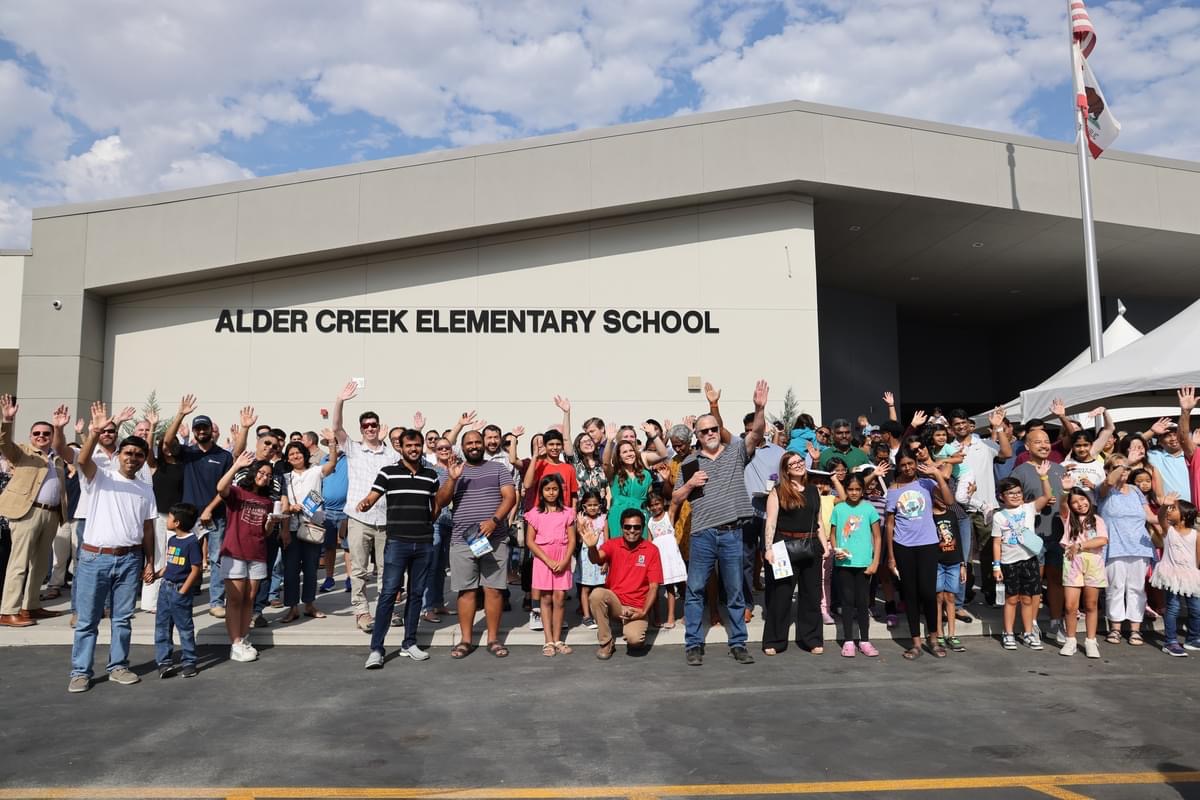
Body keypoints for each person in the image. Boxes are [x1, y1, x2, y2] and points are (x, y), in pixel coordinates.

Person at [674, 379, 769, 667]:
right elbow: (676, 498)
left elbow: (757, 434)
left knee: (735, 591)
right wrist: (689, 483)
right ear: (698, 436)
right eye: (705, 431)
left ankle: (738, 643)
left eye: (714, 428)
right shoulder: (689, 463)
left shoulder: (735, 453)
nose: (711, 433)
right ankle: (693, 644)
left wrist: (759, 408)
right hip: (702, 534)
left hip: (732, 534)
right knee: (695, 590)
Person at [68, 402, 156, 693]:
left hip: (130, 559)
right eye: (129, 452)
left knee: (122, 619)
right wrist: (94, 431)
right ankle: (80, 671)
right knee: (87, 620)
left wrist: (149, 561)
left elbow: (147, 527)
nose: (133, 458)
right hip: (95, 558)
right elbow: (82, 461)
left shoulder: (145, 488)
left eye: (139, 454)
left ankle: (118, 666)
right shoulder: (101, 478)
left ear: (144, 459)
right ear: (119, 455)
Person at [358, 428, 441, 668]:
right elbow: (373, 496)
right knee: (388, 594)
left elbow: (435, 507)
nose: (413, 449)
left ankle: (409, 643)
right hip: (397, 543)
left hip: (424, 543)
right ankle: (376, 648)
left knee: (416, 594)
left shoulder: (431, 475)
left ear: (422, 446)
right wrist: (365, 503)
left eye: (417, 445)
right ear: (400, 448)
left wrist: (426, 523)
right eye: (409, 446)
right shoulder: (388, 472)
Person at [162, 397, 241, 619]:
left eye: (205, 427)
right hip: (188, 515)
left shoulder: (223, 456)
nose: (201, 431)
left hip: (215, 515)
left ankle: (216, 602)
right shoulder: (188, 453)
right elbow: (168, 442)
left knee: (215, 558)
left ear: (211, 430)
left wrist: (209, 508)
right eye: (198, 428)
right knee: (182, 557)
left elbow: (225, 488)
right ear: (195, 432)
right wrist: (180, 414)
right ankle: (180, 597)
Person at [442, 430, 516, 659]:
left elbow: (510, 497)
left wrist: (494, 521)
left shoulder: (498, 468)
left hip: (494, 539)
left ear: (483, 444)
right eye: (469, 443)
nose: (474, 446)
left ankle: (493, 639)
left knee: (493, 590)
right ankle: (466, 640)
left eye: (477, 442)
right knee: (466, 591)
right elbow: (441, 501)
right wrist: (452, 479)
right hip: (463, 540)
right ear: (462, 447)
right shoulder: (454, 470)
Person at [331, 380, 399, 633]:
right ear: (361, 429)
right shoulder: (353, 449)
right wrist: (340, 400)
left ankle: (384, 610)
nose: (370, 428)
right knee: (359, 569)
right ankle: (361, 612)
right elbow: (336, 427)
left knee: (386, 569)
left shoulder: (391, 455)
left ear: (379, 427)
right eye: (365, 426)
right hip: (359, 519)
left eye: (373, 425)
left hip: (385, 520)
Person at [0, 395, 72, 627]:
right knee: (19, 563)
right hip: (27, 513)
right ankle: (8, 610)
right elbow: (4, 444)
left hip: (51, 513)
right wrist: (7, 420)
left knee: (40, 564)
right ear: (30, 437)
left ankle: (30, 606)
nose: (41, 437)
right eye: (37, 434)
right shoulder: (22, 452)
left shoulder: (57, 459)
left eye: (46, 434)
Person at [885, 451, 956, 659]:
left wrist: (937, 475)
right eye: (903, 465)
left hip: (928, 544)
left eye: (911, 464)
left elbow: (949, 500)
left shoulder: (926, 484)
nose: (908, 468)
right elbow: (890, 525)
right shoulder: (892, 491)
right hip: (903, 546)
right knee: (910, 594)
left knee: (928, 592)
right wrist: (891, 556)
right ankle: (915, 642)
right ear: (898, 466)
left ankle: (933, 639)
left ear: (916, 464)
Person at [213, 450, 278, 663]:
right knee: (235, 599)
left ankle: (243, 638)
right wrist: (235, 466)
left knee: (249, 599)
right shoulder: (238, 492)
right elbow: (220, 488)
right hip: (235, 552)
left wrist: (271, 524)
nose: (265, 477)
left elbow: (264, 532)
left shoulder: (268, 501)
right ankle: (236, 643)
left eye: (269, 475)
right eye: (262, 472)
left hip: (257, 553)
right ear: (253, 472)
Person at [762, 450, 826, 655]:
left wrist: (825, 546)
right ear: (786, 470)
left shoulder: (814, 490)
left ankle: (812, 639)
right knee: (781, 595)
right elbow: (770, 522)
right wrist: (768, 548)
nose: (798, 465)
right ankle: (775, 640)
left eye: (800, 461)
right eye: (793, 463)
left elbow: (819, 522)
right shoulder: (778, 491)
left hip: (810, 546)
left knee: (811, 595)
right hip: (783, 547)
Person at [580, 507, 662, 659]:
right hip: (616, 603)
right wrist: (591, 547)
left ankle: (632, 627)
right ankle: (606, 642)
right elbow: (596, 559)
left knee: (635, 641)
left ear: (643, 528)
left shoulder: (652, 550)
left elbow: (653, 586)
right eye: (627, 527)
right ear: (622, 527)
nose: (632, 530)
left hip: (636, 608)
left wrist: (643, 612)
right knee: (597, 594)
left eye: (637, 527)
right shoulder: (613, 544)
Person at [1011, 429, 1067, 644]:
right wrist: (1037, 503)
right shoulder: (1020, 472)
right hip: (1033, 536)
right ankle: (1031, 624)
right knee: (1033, 582)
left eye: (1046, 441)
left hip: (1058, 535)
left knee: (1056, 580)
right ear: (1027, 446)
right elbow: (1012, 503)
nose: (1043, 445)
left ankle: (1055, 622)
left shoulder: (1060, 469)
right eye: (1037, 442)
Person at [992, 465, 1054, 651]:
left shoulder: (1029, 508)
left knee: (1028, 599)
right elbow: (996, 543)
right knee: (1011, 599)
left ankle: (1028, 632)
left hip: (1029, 560)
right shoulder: (999, 517)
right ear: (1002, 496)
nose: (1016, 496)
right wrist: (996, 566)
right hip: (1008, 563)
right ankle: (1008, 633)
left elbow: (1046, 496)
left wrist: (1043, 477)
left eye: (1018, 492)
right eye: (1010, 493)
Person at [1098, 453, 1157, 646]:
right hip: (1115, 546)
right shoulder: (1104, 489)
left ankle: (1135, 629)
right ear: (1109, 470)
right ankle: (1115, 628)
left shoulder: (1135, 490)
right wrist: (1125, 464)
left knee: (1137, 589)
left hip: (1140, 546)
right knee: (1115, 588)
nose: (1123, 471)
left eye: (1125, 468)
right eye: (1117, 467)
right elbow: (1109, 481)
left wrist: (1166, 511)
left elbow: (1150, 517)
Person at [829, 472, 881, 657]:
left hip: (864, 563)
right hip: (844, 564)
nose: (853, 493)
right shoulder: (839, 509)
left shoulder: (869, 509)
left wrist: (875, 562)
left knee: (862, 602)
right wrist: (836, 550)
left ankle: (865, 640)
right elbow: (833, 534)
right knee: (847, 602)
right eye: (850, 489)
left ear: (863, 490)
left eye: (857, 489)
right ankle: (848, 640)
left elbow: (877, 536)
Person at [525, 474, 576, 656]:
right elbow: (530, 541)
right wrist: (548, 560)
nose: (551, 493)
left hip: (562, 558)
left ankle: (558, 638)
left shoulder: (568, 512)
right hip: (543, 560)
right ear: (542, 492)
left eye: (554, 489)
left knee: (560, 599)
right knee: (545, 599)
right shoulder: (535, 514)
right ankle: (548, 640)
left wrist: (564, 561)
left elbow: (572, 540)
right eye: (547, 489)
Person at [742, 411, 784, 623]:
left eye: (756, 430)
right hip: (746, 513)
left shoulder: (778, 452)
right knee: (746, 561)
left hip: (771, 514)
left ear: (764, 428)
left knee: (772, 560)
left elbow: (787, 479)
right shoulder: (738, 451)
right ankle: (747, 605)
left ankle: (772, 605)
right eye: (748, 431)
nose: (752, 434)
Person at [1058, 481, 1108, 658]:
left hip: (1093, 563)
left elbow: (1102, 540)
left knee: (1091, 604)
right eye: (1075, 502)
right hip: (1072, 563)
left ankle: (1090, 641)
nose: (1080, 504)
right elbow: (1063, 504)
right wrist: (1065, 490)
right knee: (1071, 605)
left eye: (1083, 499)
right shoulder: (1068, 518)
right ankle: (1070, 640)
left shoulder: (1098, 520)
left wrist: (1079, 545)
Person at [279, 442, 326, 624]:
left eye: (298, 453)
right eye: (291, 454)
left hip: (312, 527)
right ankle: (292, 608)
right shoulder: (285, 477)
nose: (295, 456)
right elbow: (282, 505)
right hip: (290, 528)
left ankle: (309, 604)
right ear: (287, 458)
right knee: (290, 571)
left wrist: (331, 444)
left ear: (305, 454)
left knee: (311, 569)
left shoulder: (315, 471)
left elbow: (331, 465)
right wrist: (290, 509)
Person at [154, 502, 202, 678]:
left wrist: (183, 591)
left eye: (171, 517)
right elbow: (169, 565)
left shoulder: (192, 542)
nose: (167, 520)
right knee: (162, 626)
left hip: (180, 590)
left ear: (177, 523)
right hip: (165, 588)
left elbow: (196, 569)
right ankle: (164, 662)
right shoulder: (172, 540)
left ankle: (189, 661)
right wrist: (157, 575)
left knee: (184, 627)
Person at [1150, 499, 1200, 656]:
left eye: (1174, 509)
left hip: (1190, 576)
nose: (1170, 511)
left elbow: (1198, 558)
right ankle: (1170, 641)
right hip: (1172, 576)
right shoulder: (1169, 531)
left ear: (1184, 514)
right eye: (1170, 509)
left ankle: (1193, 638)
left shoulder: (1195, 535)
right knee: (1172, 608)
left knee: (1196, 609)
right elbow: (1160, 517)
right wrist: (1164, 505)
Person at [646, 491, 686, 629]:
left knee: (671, 587)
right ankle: (657, 616)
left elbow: (675, 502)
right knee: (655, 587)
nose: (655, 507)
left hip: (670, 557)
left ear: (663, 503)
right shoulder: (650, 522)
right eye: (652, 505)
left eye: (657, 504)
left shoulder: (669, 515)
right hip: (658, 558)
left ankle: (671, 616)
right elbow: (649, 542)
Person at [933, 492, 966, 653]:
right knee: (938, 596)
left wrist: (962, 564)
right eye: (940, 499)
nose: (944, 502)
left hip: (953, 561)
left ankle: (952, 634)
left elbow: (958, 539)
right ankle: (939, 633)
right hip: (937, 562)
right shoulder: (929, 517)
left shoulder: (952, 514)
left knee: (951, 596)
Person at [575, 490, 608, 628]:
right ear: (584, 506)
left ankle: (601, 614)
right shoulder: (581, 519)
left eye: (595, 504)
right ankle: (586, 616)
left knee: (601, 586)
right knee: (585, 587)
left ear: (600, 505)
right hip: (585, 556)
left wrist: (606, 560)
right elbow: (578, 539)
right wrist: (581, 525)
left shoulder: (603, 519)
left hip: (600, 554)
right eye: (589, 505)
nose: (593, 507)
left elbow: (607, 540)